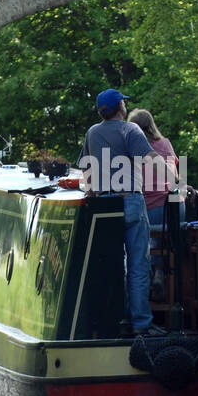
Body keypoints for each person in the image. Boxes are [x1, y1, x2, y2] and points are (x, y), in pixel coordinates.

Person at [77, 88, 170, 337]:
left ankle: (114, 323)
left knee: (113, 266)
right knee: (139, 265)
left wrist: (91, 192)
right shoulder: (131, 130)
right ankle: (141, 324)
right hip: (130, 200)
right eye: (124, 103)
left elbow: (86, 166)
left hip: (105, 206)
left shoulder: (92, 132)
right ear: (121, 107)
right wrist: (177, 181)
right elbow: (151, 157)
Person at [127, 108, 178, 229]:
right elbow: (174, 174)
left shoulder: (135, 150)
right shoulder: (166, 143)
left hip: (153, 209)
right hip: (176, 208)